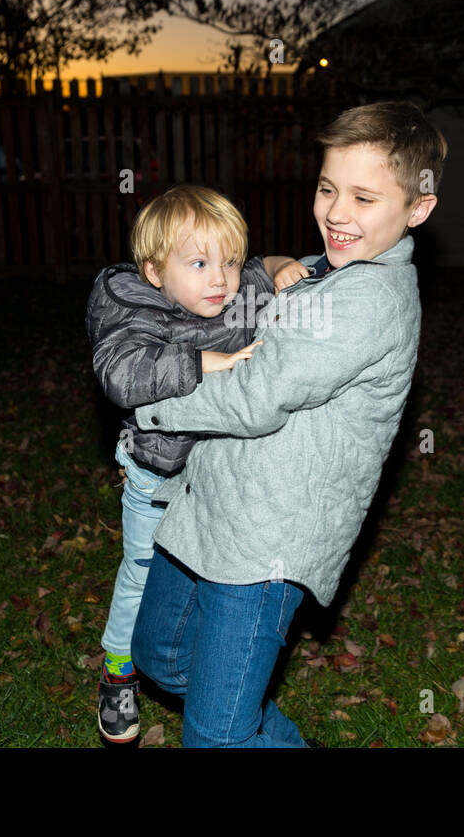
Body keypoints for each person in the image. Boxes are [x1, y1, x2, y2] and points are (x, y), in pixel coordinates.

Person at [130, 101, 447, 746]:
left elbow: (256, 398)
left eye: (364, 198)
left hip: (266, 543)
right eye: (328, 188)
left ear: (418, 209)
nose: (337, 212)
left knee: (214, 736)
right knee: (160, 655)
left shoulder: (371, 299)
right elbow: (258, 285)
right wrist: (270, 265)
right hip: (210, 510)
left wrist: (151, 397)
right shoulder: (333, 269)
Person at [85, 184, 298, 743]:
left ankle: (202, 660)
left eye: (227, 260)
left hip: (219, 480)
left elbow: (260, 266)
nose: (220, 279)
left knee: (203, 580)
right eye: (199, 263)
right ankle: (116, 670)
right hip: (157, 479)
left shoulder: (237, 286)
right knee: (142, 573)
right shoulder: (132, 303)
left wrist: (280, 267)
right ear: (155, 272)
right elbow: (121, 374)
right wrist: (209, 361)